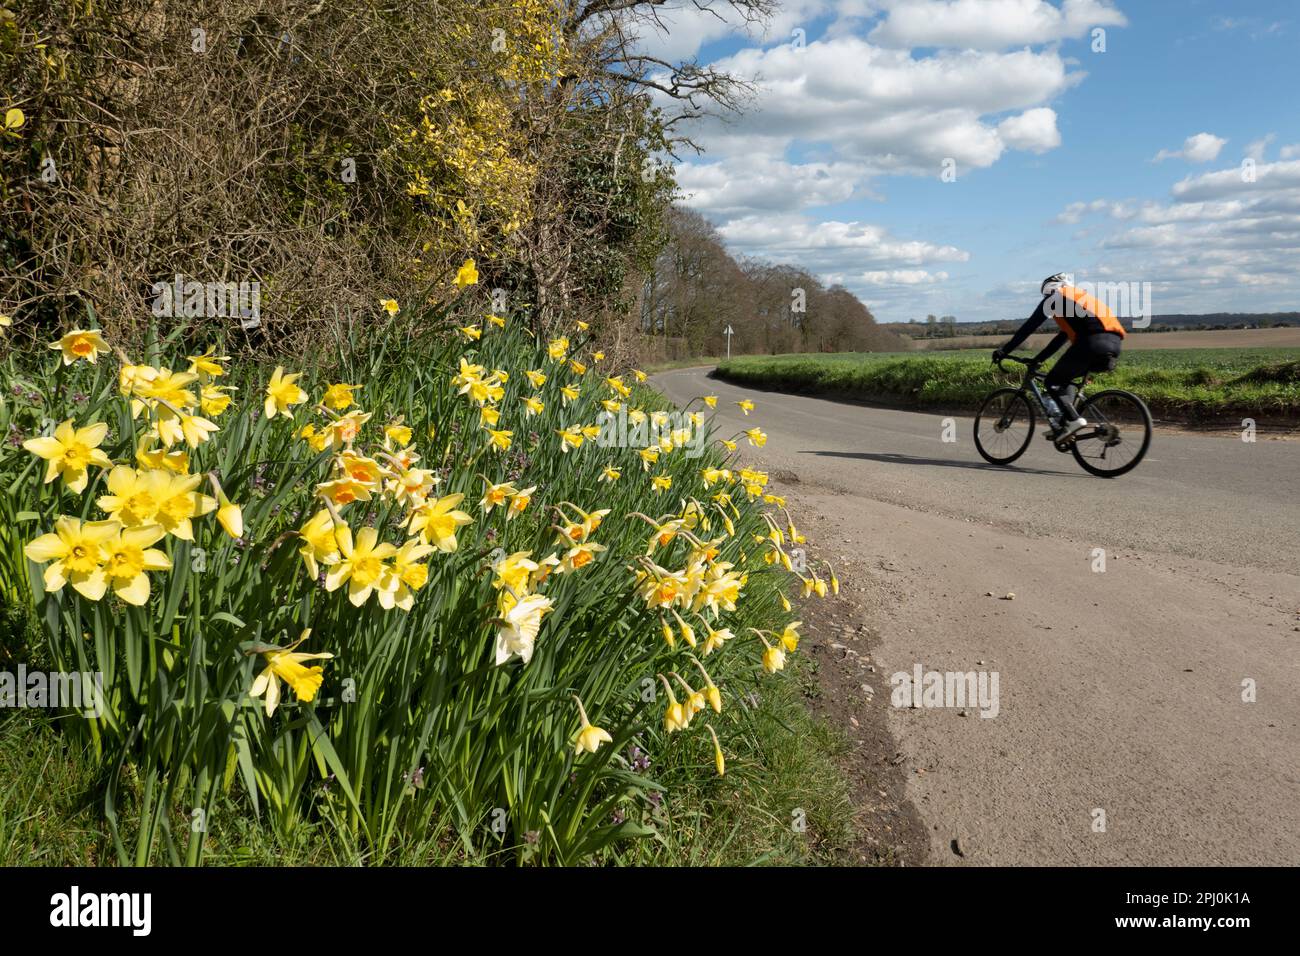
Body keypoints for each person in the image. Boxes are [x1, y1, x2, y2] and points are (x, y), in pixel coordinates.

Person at [993, 273, 1126, 439]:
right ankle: (1065, 423)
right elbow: (1060, 339)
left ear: (1051, 288)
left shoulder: (1056, 297)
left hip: (1091, 343)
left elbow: (1028, 328)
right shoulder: (1079, 302)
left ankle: (1073, 420)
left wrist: (1004, 351)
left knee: (1051, 382)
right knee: (1066, 379)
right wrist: (1038, 359)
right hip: (1114, 345)